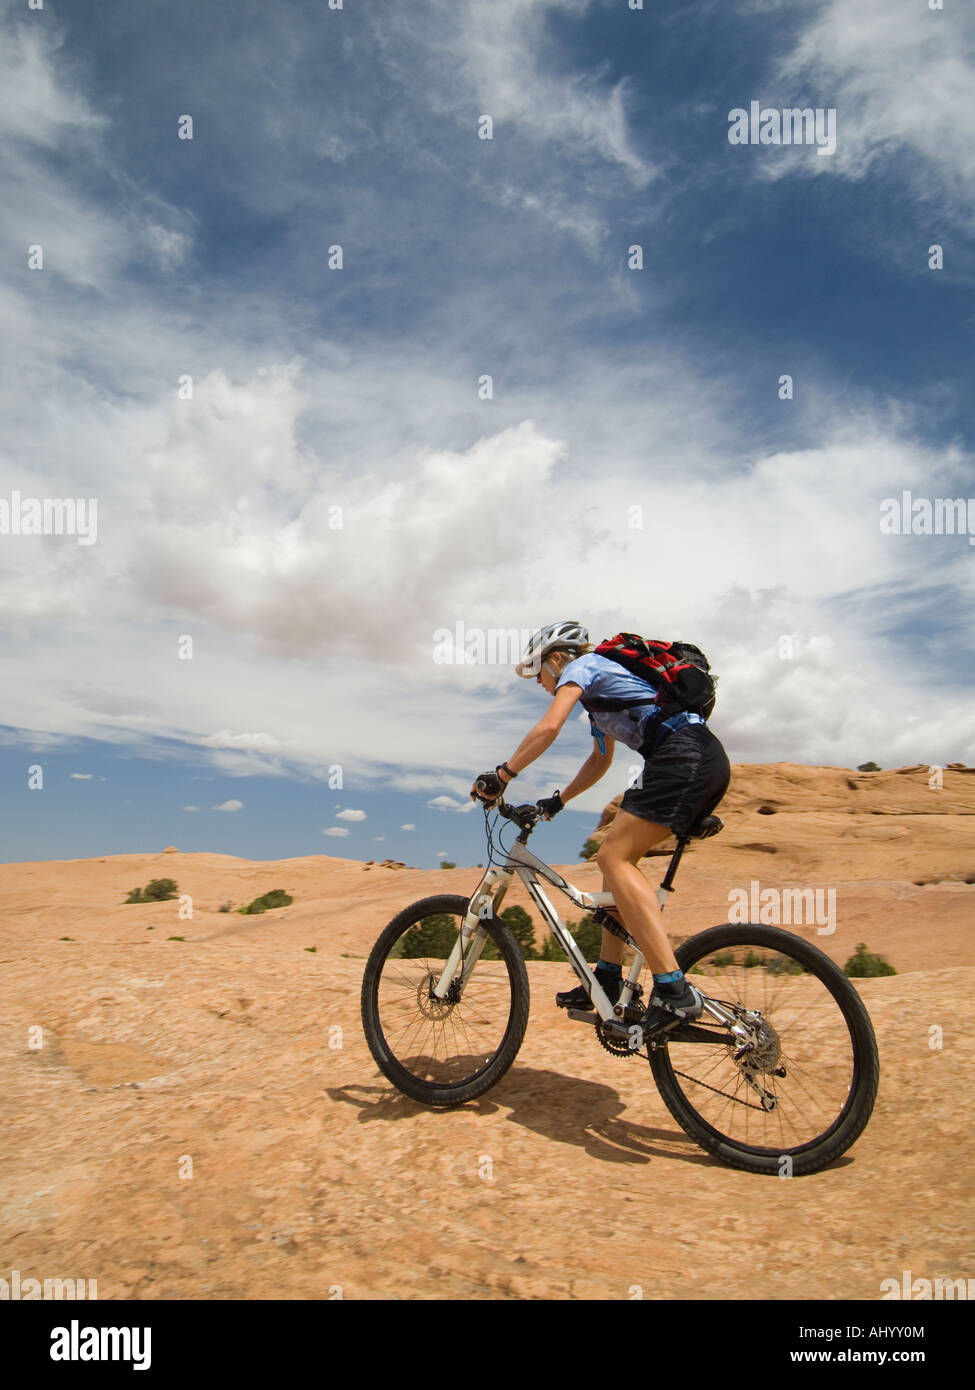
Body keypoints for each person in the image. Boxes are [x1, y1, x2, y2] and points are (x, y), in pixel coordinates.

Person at [470, 620, 731, 1037]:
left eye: (538, 671)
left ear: (556, 659)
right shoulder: (600, 697)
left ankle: (673, 988)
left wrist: (503, 774)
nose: (539, 681)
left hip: (682, 757)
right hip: (695, 758)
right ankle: (608, 978)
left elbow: (549, 726)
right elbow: (600, 760)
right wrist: (559, 800)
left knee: (613, 856)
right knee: (612, 862)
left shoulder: (583, 668)